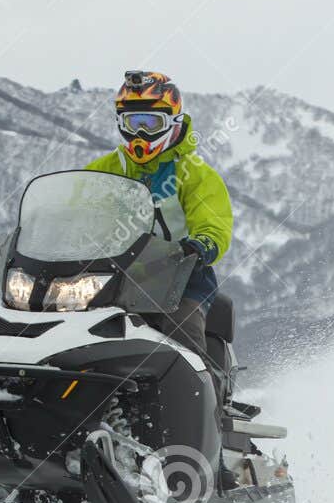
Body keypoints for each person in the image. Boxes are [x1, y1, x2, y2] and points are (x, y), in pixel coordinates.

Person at [84, 70, 232, 365]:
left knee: (182, 330)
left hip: (180, 278)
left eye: (151, 123)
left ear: (173, 122)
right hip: (111, 277)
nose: (140, 134)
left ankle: (198, 388)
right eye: (133, 123)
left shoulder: (194, 173)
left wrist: (201, 245)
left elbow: (213, 223)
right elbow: (74, 212)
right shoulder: (103, 170)